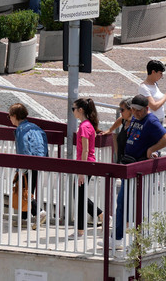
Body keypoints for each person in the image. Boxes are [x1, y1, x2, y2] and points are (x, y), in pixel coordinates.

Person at [117, 93, 166, 240]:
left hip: (140, 167)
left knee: (135, 203)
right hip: (129, 164)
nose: (135, 112)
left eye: (139, 110)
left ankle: (132, 237)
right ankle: (121, 236)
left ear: (146, 108)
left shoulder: (151, 120)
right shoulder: (135, 117)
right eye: (133, 109)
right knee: (123, 202)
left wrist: (151, 150)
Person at [7, 103, 46, 228]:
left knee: (24, 191)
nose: (10, 119)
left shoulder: (21, 129)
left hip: (27, 163)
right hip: (39, 161)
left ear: (14, 116)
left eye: (10, 116)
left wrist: (21, 167)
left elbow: (23, 148)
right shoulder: (35, 127)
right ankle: (24, 218)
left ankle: (39, 212)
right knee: (28, 189)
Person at [71, 98, 101, 232]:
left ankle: (80, 229)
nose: (73, 112)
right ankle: (100, 215)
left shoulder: (83, 127)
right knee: (79, 195)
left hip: (85, 164)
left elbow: (85, 149)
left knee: (79, 196)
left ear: (80, 110)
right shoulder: (89, 125)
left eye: (74, 109)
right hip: (88, 163)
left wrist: (81, 170)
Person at [137, 59, 166, 124]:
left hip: (158, 120)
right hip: (151, 122)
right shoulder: (144, 88)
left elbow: (159, 101)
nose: (161, 76)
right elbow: (154, 106)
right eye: (160, 73)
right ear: (153, 72)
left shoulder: (155, 84)